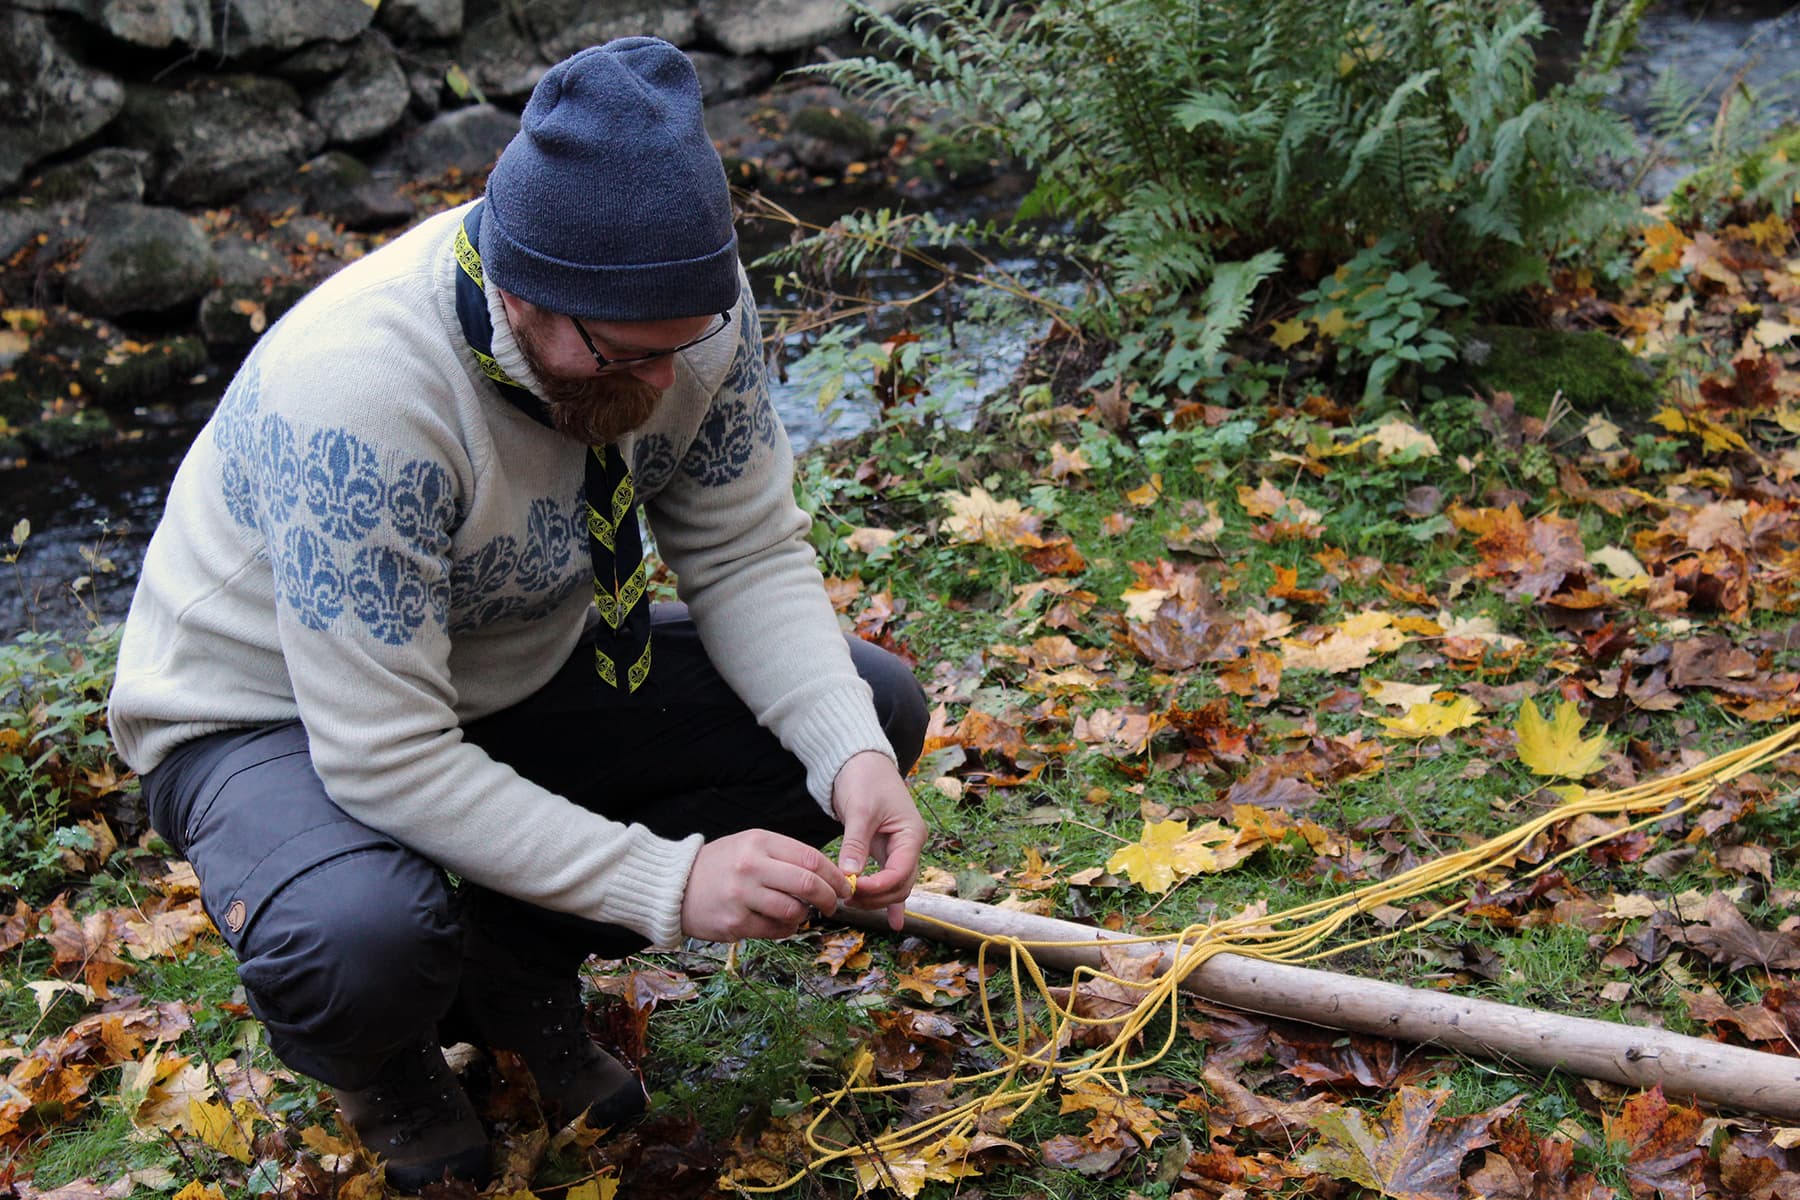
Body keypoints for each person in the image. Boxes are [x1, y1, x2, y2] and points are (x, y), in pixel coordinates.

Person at [107, 37, 928, 1193]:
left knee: (867, 711)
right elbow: (385, 754)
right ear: (519, 292)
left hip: (502, 664)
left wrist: (847, 755)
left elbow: (741, 549)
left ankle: (509, 968)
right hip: (264, 715)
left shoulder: (688, 313)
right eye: (625, 357)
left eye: (680, 350)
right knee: (361, 940)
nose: (659, 388)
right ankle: (384, 1056)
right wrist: (669, 882)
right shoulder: (364, 394)